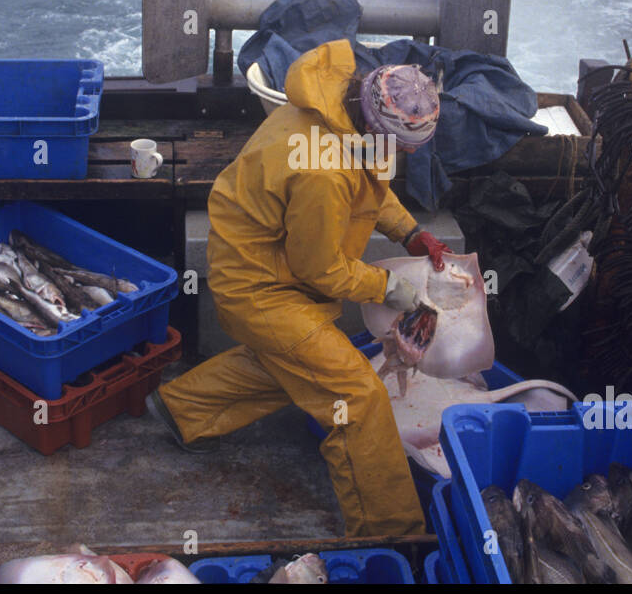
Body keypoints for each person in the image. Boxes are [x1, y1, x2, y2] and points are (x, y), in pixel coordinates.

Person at [146, 38, 451, 537]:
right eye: (401, 148)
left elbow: (371, 182)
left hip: (270, 262)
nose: (400, 157)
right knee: (356, 396)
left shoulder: (339, 107)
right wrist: (397, 291)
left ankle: (184, 410)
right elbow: (322, 270)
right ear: (377, 127)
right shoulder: (322, 172)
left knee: (291, 364)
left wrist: (410, 231)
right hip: (262, 287)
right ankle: (389, 530)